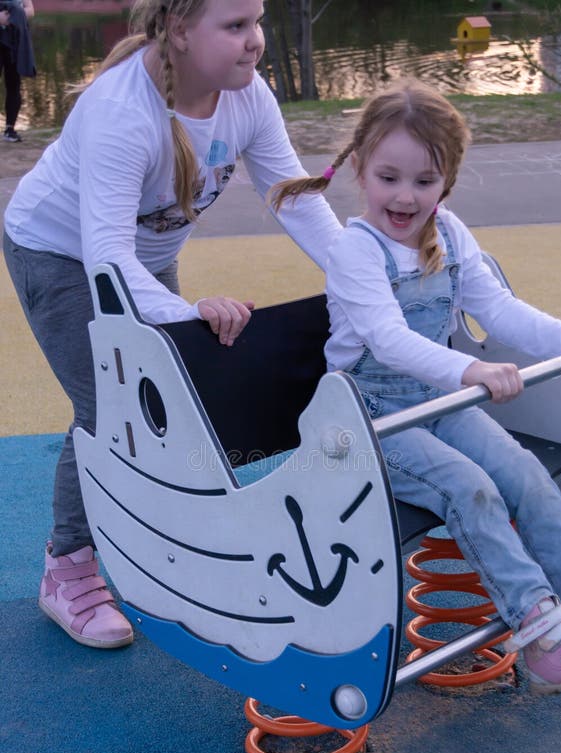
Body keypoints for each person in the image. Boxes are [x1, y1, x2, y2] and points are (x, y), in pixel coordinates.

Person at [3, 0, 341, 650]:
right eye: (236, 27)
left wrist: (363, 278)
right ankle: (67, 569)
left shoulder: (246, 96)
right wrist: (188, 317)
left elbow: (293, 200)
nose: (256, 43)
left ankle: (175, 546)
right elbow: (104, 256)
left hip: (141, 262)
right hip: (61, 254)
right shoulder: (121, 112)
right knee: (109, 406)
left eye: (258, 21)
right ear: (181, 31)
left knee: (177, 403)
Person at [270, 80, 561, 695]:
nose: (405, 195)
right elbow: (388, 340)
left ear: (446, 181)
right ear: (362, 170)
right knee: (467, 486)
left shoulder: (448, 233)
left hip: (435, 404)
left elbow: (498, 309)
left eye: (424, 181)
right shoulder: (356, 252)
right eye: (389, 177)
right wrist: (469, 370)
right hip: (363, 422)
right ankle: (538, 629)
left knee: (522, 470)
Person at [0, 0, 35, 142]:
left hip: (14, 42)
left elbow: (30, 10)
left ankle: (10, 129)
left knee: (14, 85)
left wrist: (13, 16)